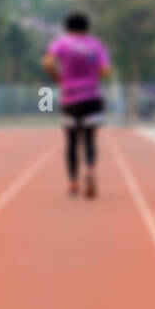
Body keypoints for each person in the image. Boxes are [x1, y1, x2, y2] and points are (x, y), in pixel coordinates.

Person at [43, 12, 111, 199]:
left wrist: (58, 78)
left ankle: (73, 182)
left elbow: (48, 62)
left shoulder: (61, 44)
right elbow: (105, 70)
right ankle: (89, 170)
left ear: (67, 27)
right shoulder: (96, 45)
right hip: (92, 97)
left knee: (71, 141)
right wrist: (93, 76)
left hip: (70, 98)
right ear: (87, 27)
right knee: (90, 138)